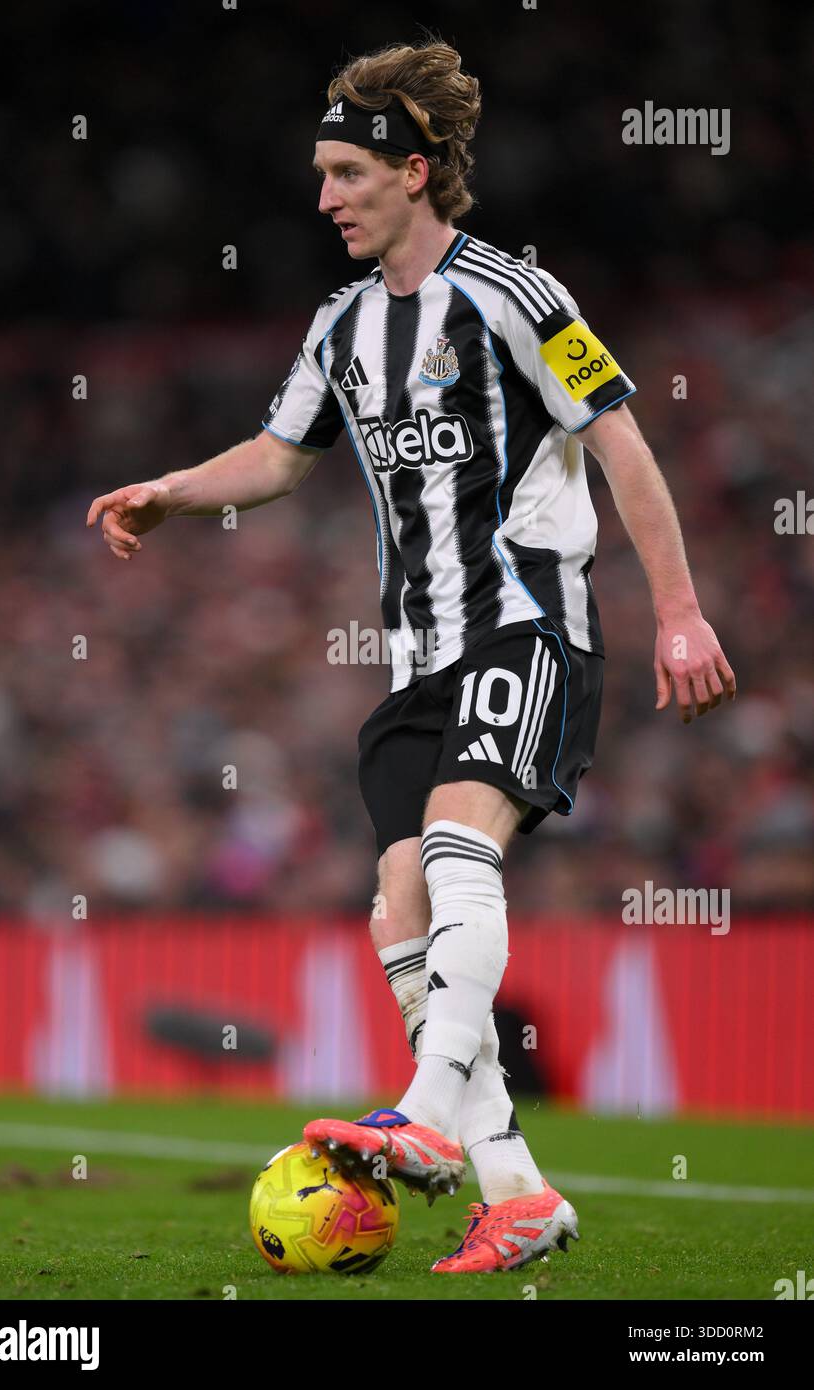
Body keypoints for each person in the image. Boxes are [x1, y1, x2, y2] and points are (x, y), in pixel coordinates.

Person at [86, 39, 736, 1274]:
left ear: (414, 171)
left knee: (453, 844)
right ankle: (519, 1191)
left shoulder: (515, 294)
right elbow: (279, 458)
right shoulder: (339, 328)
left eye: (343, 173)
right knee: (397, 907)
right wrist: (174, 488)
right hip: (414, 665)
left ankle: (426, 1115)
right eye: (321, 175)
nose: (323, 198)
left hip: (527, 624)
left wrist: (680, 611)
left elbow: (622, 445)